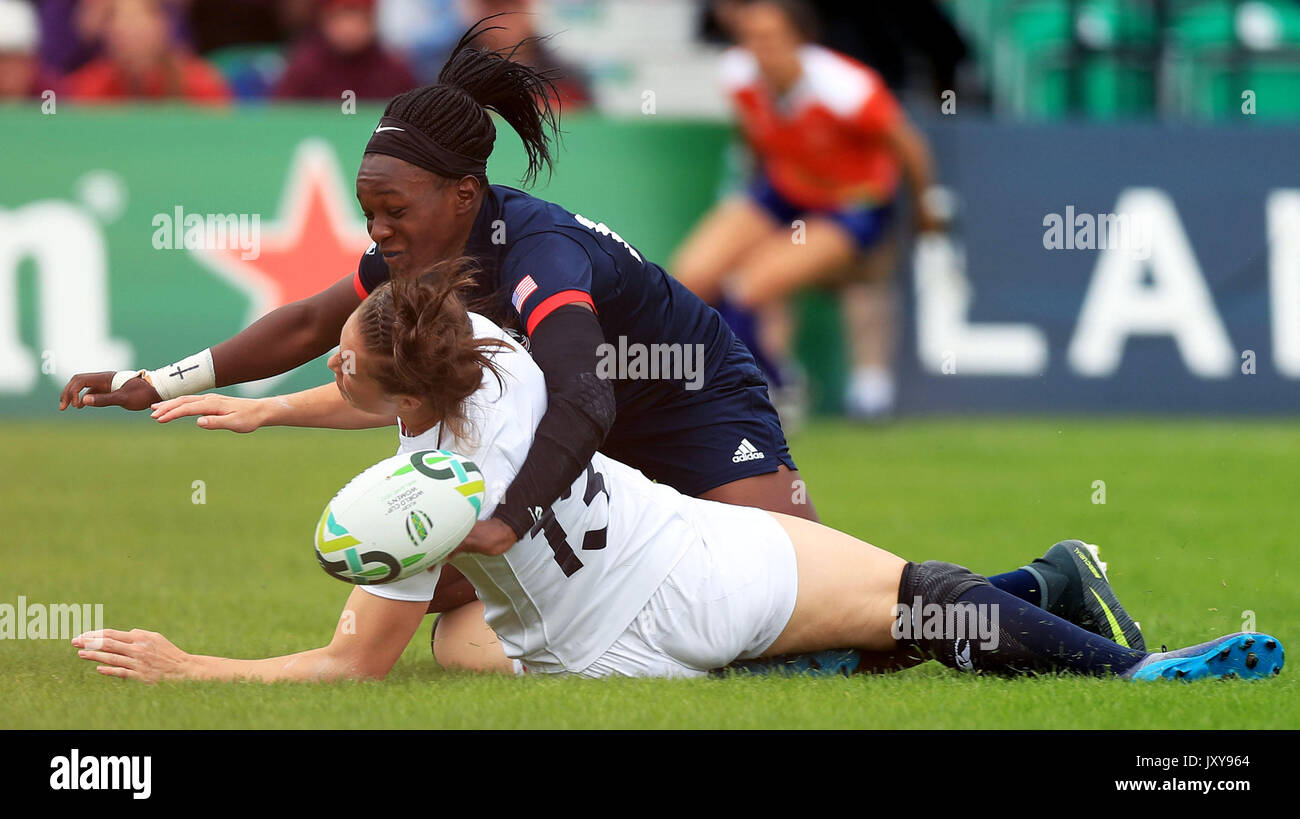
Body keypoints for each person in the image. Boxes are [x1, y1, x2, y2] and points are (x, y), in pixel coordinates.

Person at [57, 18, 1146, 674]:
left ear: (464, 195)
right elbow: (302, 325)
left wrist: (503, 517)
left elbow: (579, 398)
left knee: (819, 634)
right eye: (365, 207)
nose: (375, 231)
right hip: (573, 438)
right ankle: (1025, 602)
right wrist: (161, 378)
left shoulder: (539, 258)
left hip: (687, 407)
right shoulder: (420, 255)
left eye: (391, 208)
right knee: (450, 628)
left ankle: (1035, 588)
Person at [71, 271, 1285, 684]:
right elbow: (385, 388)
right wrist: (272, 410)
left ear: (403, 397)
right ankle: (1055, 583)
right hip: (682, 532)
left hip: (642, 623)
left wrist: (193, 667)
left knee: (903, 612)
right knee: (916, 594)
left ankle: (1143, 674)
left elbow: (349, 662)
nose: (333, 369)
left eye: (346, 362)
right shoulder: (486, 347)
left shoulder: (426, 499)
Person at [673, 0, 939, 420]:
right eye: (751, 39)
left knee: (748, 286)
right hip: (784, 190)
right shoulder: (738, 74)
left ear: (800, 41)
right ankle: (759, 378)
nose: (759, 50)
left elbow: (910, 146)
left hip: (850, 201)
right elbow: (756, 137)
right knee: (692, 275)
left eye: (770, 39)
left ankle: (776, 387)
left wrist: (924, 212)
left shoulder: (844, 86)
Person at [63, 0, 230, 104]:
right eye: (120, 25)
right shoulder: (88, 87)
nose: (129, 35)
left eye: (138, 25)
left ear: (162, 27)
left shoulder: (200, 83)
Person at [273, 0, 418, 102]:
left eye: (358, 17)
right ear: (325, 21)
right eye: (340, 17)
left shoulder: (394, 71)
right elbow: (282, 118)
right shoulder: (305, 68)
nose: (349, 28)